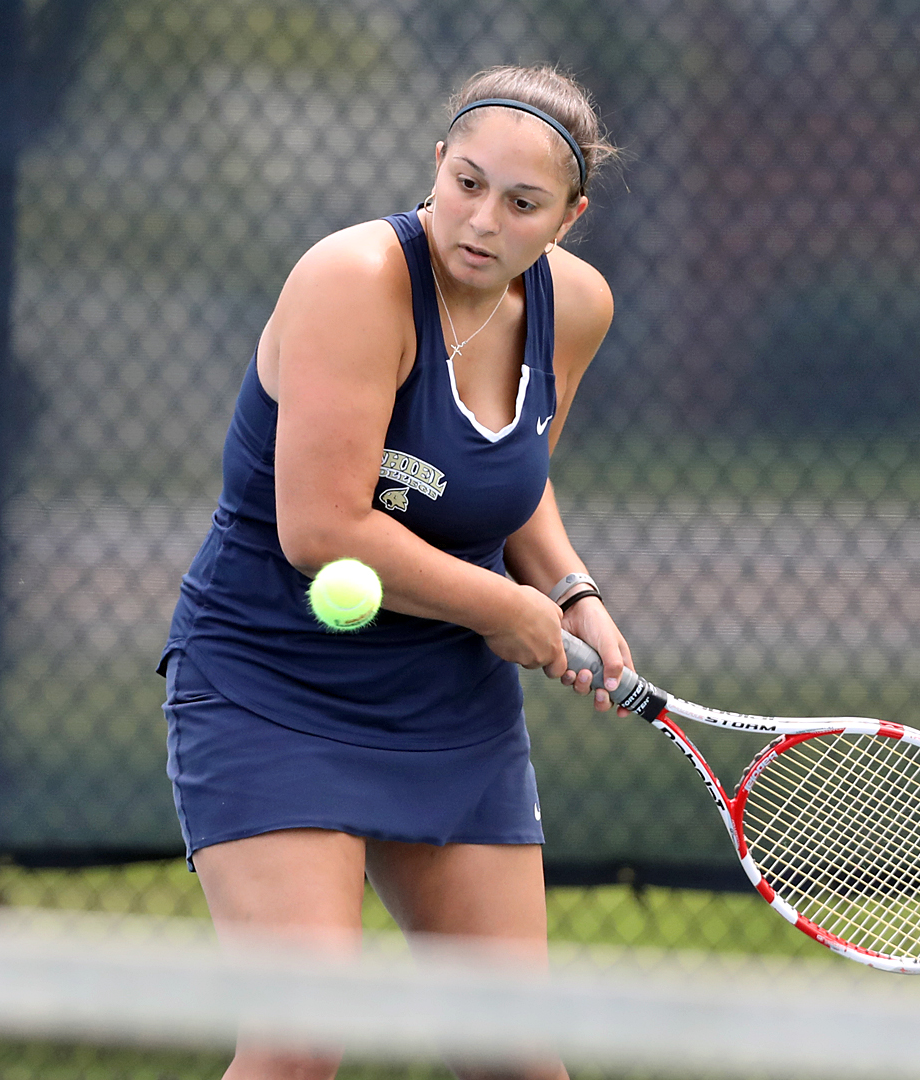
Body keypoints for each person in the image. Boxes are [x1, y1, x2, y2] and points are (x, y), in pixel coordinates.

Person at [159, 64, 629, 1080]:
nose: (481, 219)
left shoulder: (575, 308)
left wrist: (569, 591)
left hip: (446, 705)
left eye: (522, 203)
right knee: (298, 1044)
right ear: (436, 164)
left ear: (570, 216)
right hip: (270, 686)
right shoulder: (354, 281)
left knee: (514, 1060)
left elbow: (511, 480)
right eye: (466, 182)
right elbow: (321, 530)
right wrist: (504, 607)